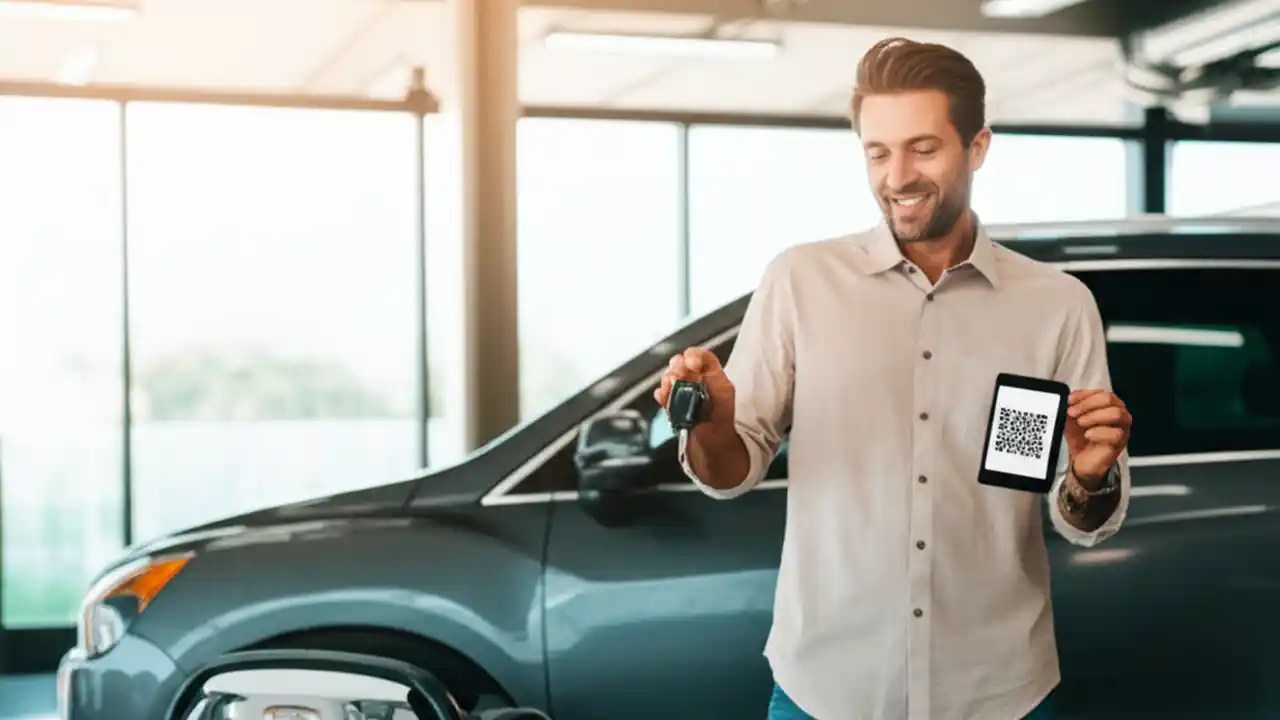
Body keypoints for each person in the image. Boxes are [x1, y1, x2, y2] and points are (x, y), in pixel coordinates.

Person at [653, 37, 1133, 720]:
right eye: (877, 152)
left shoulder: (1052, 306)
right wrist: (716, 426)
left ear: (978, 147)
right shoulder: (803, 282)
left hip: (1000, 693)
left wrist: (1087, 478)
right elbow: (731, 471)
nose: (896, 175)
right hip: (826, 688)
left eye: (923, 148)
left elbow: (1069, 509)